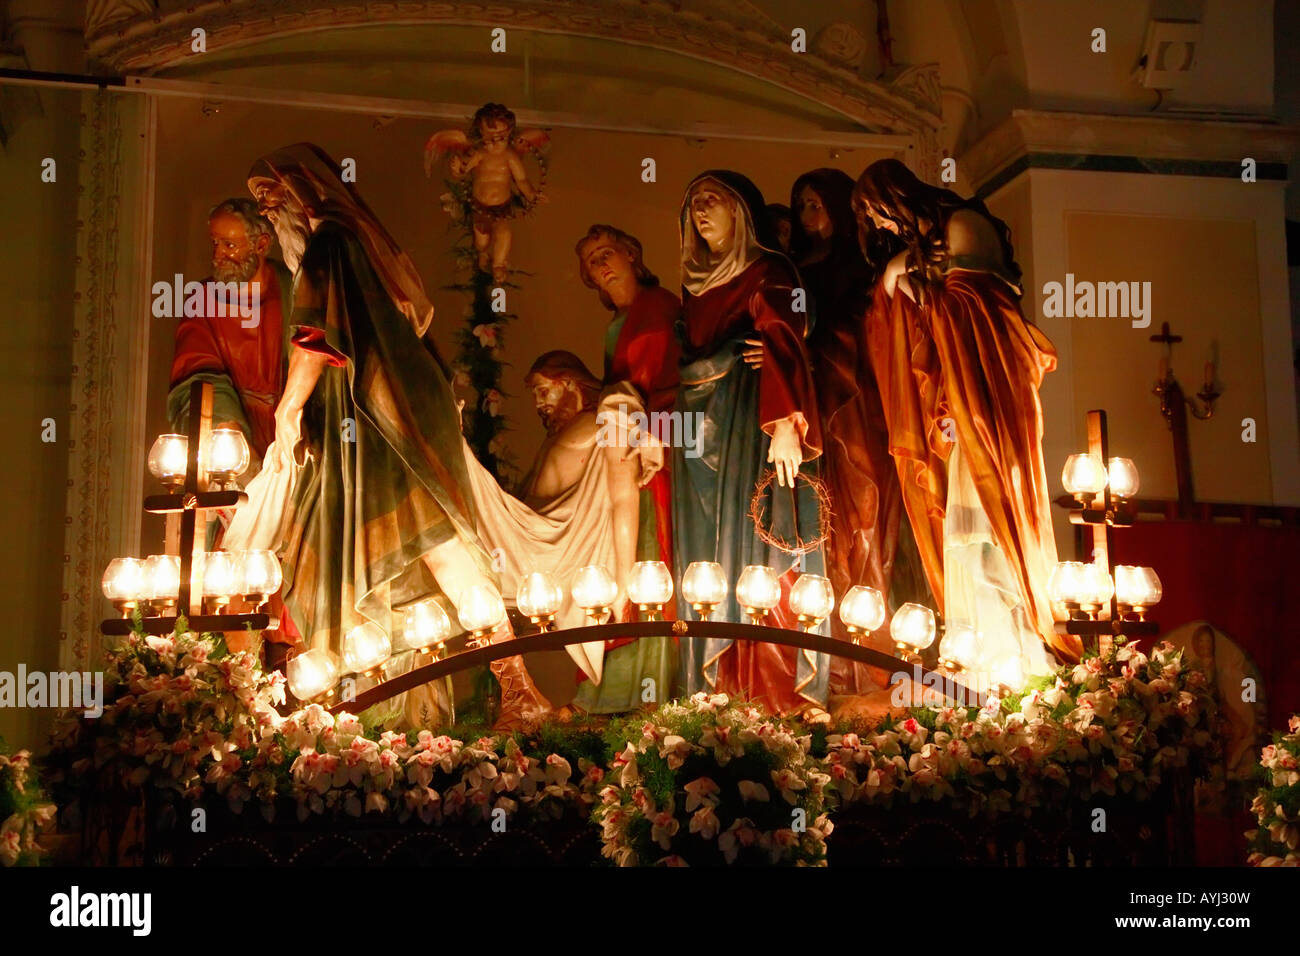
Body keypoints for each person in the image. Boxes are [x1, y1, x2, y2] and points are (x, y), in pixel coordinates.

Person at [247, 143, 551, 730]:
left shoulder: (329, 244)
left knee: (437, 544)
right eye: (262, 204)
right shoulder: (356, 242)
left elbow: (314, 335)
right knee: (436, 546)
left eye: (273, 197)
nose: (269, 212)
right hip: (396, 414)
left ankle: (515, 691)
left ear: (304, 189)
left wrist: (288, 410)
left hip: (379, 423)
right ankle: (477, 697)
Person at [852, 158, 1078, 673]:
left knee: (990, 523)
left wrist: (911, 281)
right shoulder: (924, 249)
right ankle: (979, 656)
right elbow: (908, 323)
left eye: (878, 212)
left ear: (897, 196)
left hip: (989, 396)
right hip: (955, 401)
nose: (882, 225)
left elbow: (973, 318)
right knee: (961, 535)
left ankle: (1016, 653)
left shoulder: (961, 226)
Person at [673, 170, 830, 716]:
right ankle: (716, 690)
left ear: (741, 212)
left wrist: (786, 421)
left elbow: (786, 340)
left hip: (750, 420)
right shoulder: (692, 284)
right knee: (707, 557)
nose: (701, 210)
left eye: (713, 200)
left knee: (761, 536)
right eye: (693, 203)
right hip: (700, 435)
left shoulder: (769, 270)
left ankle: (777, 691)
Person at [461, 351, 668, 708]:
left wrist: (623, 582)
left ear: (571, 384)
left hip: (554, 547)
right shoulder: (567, 432)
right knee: (460, 524)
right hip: (530, 535)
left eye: (544, 390)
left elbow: (622, 497)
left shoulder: (610, 418)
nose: (538, 404)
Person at [573, 225, 682, 711]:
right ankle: (613, 683)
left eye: (606, 253)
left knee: (649, 554)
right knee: (623, 547)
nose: (602, 266)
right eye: (592, 262)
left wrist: (658, 431)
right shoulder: (615, 325)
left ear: (633, 254)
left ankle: (653, 681)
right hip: (623, 446)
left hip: (660, 446)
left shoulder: (659, 306)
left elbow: (675, 380)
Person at [168, 198, 295, 467]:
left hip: (294, 442)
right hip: (233, 444)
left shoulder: (295, 293)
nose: (217, 256)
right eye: (215, 243)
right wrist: (239, 453)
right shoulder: (202, 301)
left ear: (261, 245)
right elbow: (197, 376)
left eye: (230, 246)